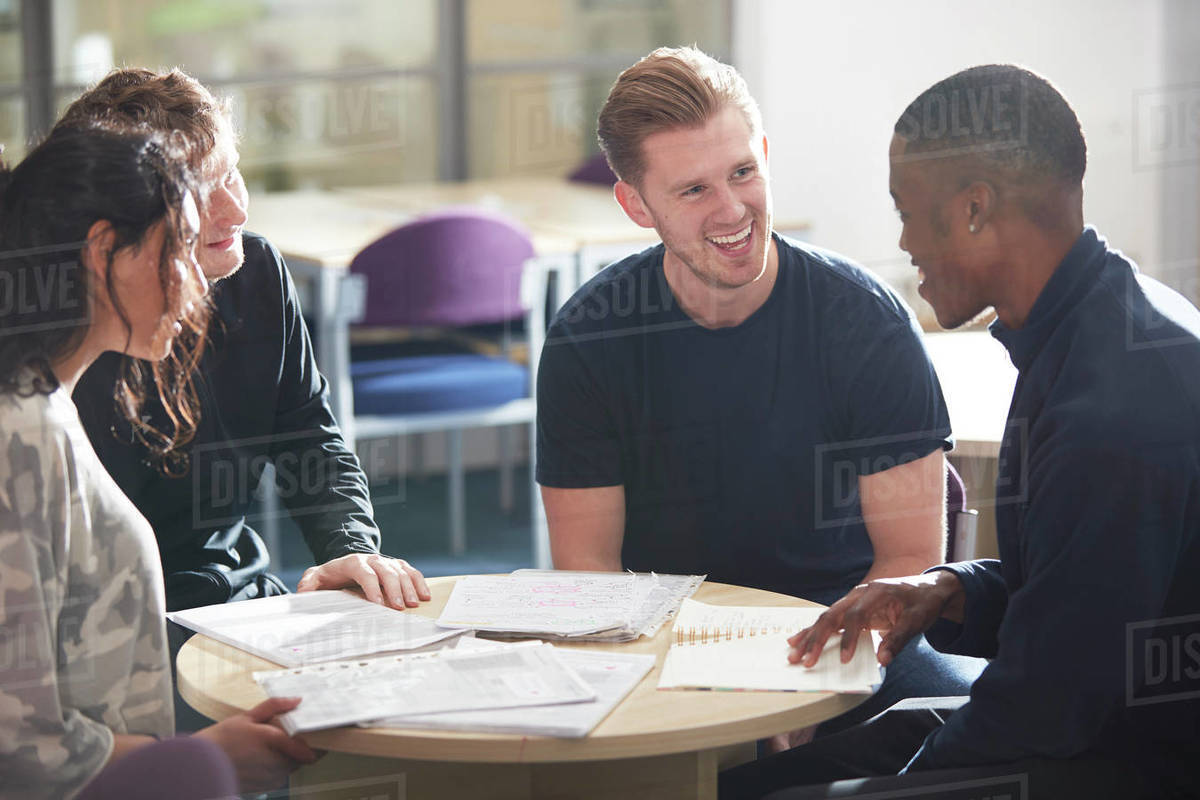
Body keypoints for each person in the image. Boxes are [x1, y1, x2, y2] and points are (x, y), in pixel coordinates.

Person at [721, 65, 1200, 800]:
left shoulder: (1111, 409)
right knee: (755, 786)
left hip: (1135, 760)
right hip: (1090, 716)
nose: (905, 243)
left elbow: (1047, 708)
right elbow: (1086, 595)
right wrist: (948, 590)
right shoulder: (1095, 325)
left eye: (908, 211)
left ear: (975, 209)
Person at [536, 45, 983, 738]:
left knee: (961, 736)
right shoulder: (587, 339)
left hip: (849, 639)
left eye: (743, 172)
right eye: (693, 190)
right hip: (665, 653)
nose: (732, 209)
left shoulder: (865, 322)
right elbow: (588, 570)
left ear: (766, 155)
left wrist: (802, 691)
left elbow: (907, 562)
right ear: (636, 204)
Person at [0, 124, 317, 799]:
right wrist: (202, 761)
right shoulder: (18, 434)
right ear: (103, 251)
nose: (195, 288)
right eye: (177, 251)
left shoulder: (45, 399)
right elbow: (18, 742)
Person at [60, 69, 429, 613]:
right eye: (202, 192)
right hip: (108, 613)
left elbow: (307, 435)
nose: (235, 210)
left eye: (232, 174)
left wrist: (350, 548)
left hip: (236, 593)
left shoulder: (254, 269)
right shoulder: (65, 334)